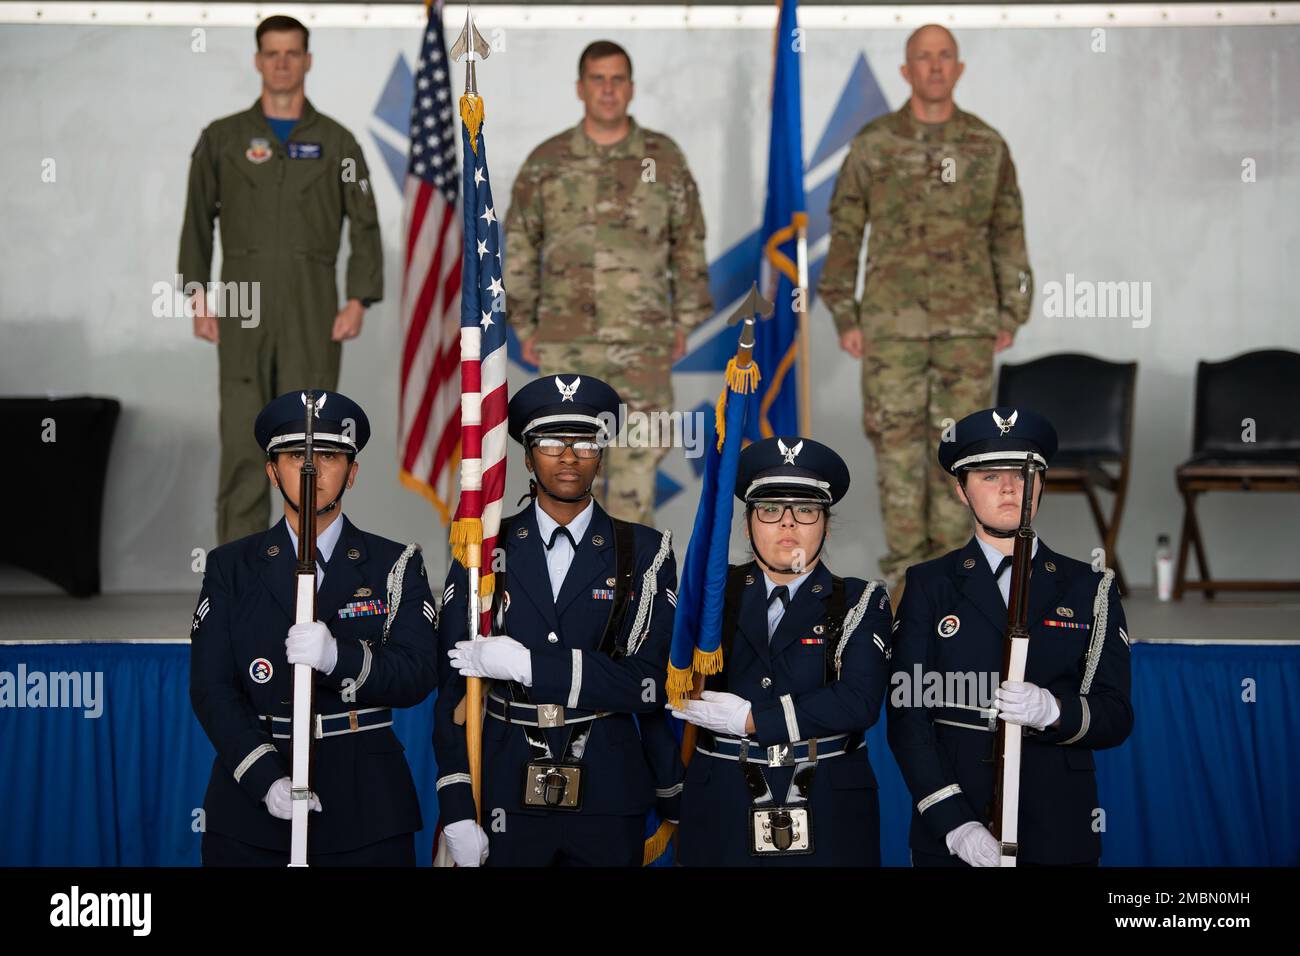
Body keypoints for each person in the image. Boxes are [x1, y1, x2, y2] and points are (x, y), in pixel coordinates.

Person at [433, 374, 684, 866]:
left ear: (600, 454)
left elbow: (648, 684)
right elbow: (452, 692)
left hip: (608, 787)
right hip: (503, 783)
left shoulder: (644, 551)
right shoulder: (485, 548)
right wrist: (458, 805)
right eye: (549, 442)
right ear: (526, 457)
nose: (568, 455)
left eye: (584, 442)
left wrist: (530, 665)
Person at [817, 24, 1033, 594]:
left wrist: (1012, 313)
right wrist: (845, 312)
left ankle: (956, 584)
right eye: (923, 58)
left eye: (945, 58)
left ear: (958, 69)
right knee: (897, 455)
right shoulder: (875, 144)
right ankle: (908, 589)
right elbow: (845, 229)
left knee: (961, 455)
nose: (935, 67)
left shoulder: (987, 146)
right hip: (891, 331)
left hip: (968, 330)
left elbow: (1008, 232)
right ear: (906, 71)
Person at [189, 390, 438, 865]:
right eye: (294, 456)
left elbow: (418, 673)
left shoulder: (395, 563)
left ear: (353, 473)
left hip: (366, 807)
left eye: (328, 456)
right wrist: (266, 778)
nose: (312, 471)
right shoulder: (231, 568)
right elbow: (211, 688)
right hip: (252, 806)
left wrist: (338, 658)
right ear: (271, 471)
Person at [887, 407, 1133, 866]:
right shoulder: (929, 585)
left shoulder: (1090, 587)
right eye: (988, 475)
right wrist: (954, 825)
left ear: (1041, 484)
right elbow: (908, 719)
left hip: (1058, 827)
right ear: (962, 490)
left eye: (1024, 474)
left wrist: (1054, 709)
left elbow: (1115, 714)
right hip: (956, 825)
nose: (1009, 487)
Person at [180, 14, 383, 545]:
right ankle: (236, 583)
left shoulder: (340, 144)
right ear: (257, 60)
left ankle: (309, 578)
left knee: (310, 449)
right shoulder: (221, 139)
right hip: (242, 305)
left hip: (312, 308)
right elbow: (197, 219)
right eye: (272, 53)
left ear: (308, 60)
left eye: (292, 53)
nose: (282, 63)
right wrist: (198, 295)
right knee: (243, 449)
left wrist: (359, 297)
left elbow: (364, 222)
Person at [504, 39, 713, 524]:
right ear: (580, 88)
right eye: (597, 79)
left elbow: (689, 240)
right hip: (565, 346)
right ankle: (573, 590)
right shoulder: (547, 161)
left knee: (638, 472)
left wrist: (683, 320)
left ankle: (635, 589)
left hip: (644, 348)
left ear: (632, 88)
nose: (607, 89)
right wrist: (526, 325)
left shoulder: (664, 158)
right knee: (566, 471)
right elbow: (517, 244)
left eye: (617, 79)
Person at [669, 436, 893, 865]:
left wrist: (751, 720)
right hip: (722, 801)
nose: (788, 524)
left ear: (825, 523)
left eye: (805, 510)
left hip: (827, 803)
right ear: (749, 522)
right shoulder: (711, 596)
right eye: (771, 510)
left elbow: (858, 702)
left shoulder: (861, 600)